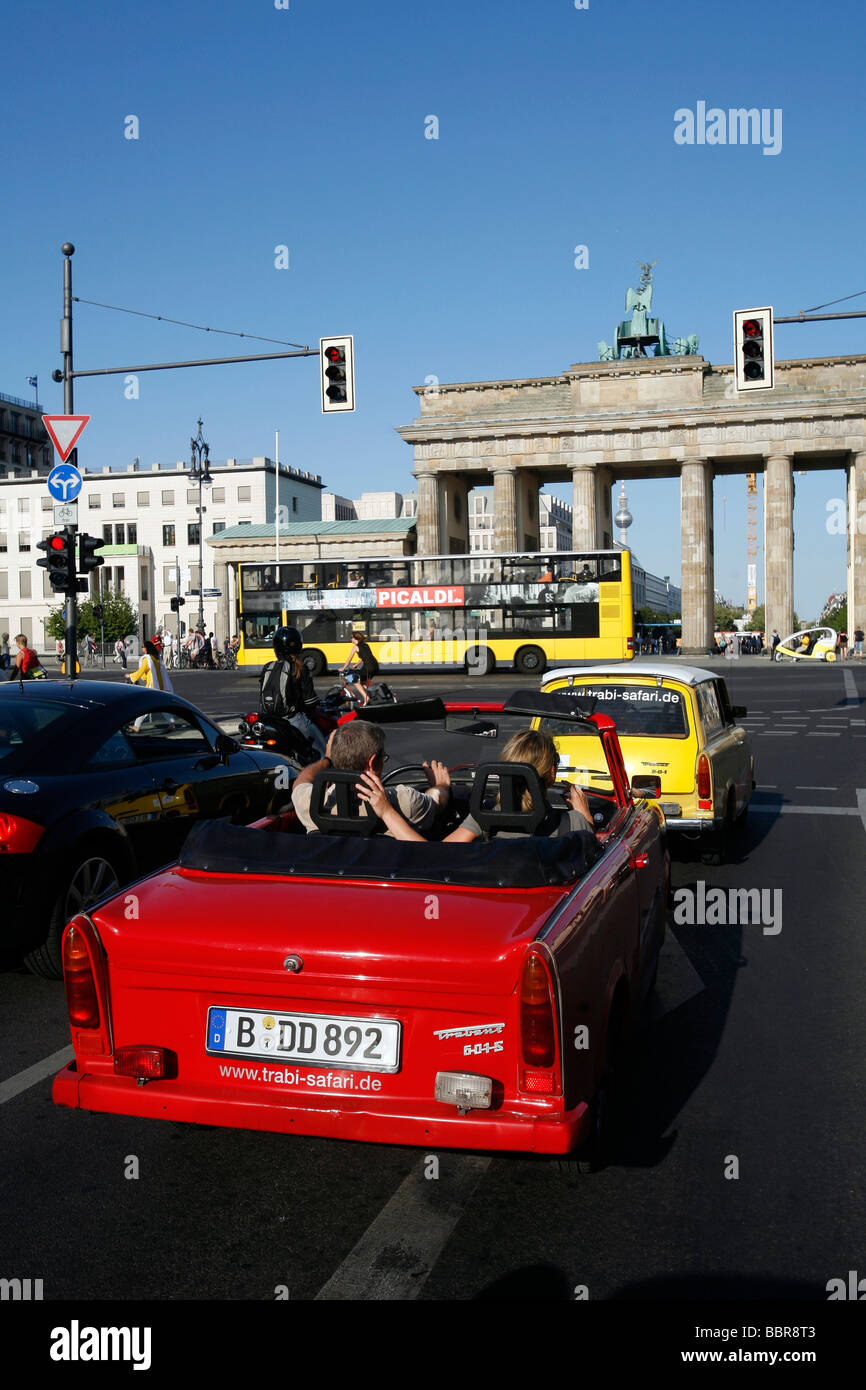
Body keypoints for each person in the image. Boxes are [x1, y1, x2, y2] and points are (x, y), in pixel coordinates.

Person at [359, 729, 595, 843]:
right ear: (551, 773)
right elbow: (593, 857)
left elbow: (431, 855)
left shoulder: (485, 816)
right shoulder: (572, 824)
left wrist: (387, 811)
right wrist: (584, 816)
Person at [292, 721, 449, 835]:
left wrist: (327, 759)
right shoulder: (403, 801)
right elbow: (437, 803)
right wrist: (440, 786)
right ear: (373, 762)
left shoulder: (312, 802)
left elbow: (301, 781)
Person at [259, 626, 327, 759]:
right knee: (323, 752)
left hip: (270, 720)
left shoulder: (268, 667)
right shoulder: (300, 668)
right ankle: (325, 777)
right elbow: (310, 701)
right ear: (297, 646)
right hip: (293, 719)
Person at [340, 630, 378, 708]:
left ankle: (366, 698)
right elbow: (364, 657)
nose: (350, 639)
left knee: (355, 681)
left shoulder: (355, 647)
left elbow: (349, 659)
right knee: (363, 681)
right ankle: (369, 699)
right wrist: (355, 665)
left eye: (351, 638)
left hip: (368, 667)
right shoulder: (366, 645)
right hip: (375, 666)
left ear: (355, 638)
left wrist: (343, 668)